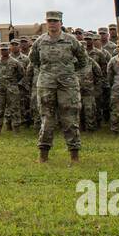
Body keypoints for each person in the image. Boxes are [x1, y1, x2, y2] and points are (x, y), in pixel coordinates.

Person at [29, 10, 86, 162]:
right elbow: (33, 60)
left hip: (67, 85)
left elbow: (83, 60)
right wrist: (47, 73)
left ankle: (74, 155)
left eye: (55, 21)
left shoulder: (71, 40)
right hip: (46, 85)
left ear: (61, 23)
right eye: (50, 21)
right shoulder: (40, 41)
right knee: (47, 119)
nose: (52, 24)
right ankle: (43, 155)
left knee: (70, 118)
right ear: (46, 23)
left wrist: (69, 73)